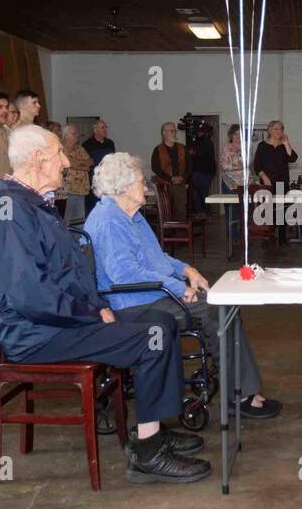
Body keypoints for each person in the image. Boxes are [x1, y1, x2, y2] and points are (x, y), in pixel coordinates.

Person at [0, 127, 209, 483]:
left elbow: (69, 275)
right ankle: (146, 454)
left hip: (56, 322)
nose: (67, 162)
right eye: (59, 153)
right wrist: (93, 312)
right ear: (39, 158)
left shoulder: (30, 205)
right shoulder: (11, 213)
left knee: (162, 322)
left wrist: (96, 304)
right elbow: (30, 296)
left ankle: (153, 431)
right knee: (153, 336)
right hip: (38, 334)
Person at [87, 152, 282, 421]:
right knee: (220, 312)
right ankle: (241, 395)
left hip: (151, 293)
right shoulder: (110, 220)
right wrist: (178, 288)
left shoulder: (130, 214)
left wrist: (188, 271)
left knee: (224, 308)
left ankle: (240, 387)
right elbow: (124, 275)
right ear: (125, 187)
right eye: (142, 183)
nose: (146, 188)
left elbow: (157, 258)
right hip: (133, 304)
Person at [253, 120, 297, 243]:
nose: (279, 131)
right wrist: (264, 176)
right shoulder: (262, 145)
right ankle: (269, 236)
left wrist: (287, 143)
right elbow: (257, 165)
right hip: (267, 184)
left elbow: (293, 158)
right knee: (269, 211)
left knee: (282, 211)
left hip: (282, 182)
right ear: (270, 131)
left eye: (281, 129)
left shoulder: (284, 146)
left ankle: (282, 238)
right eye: (276, 129)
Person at [151, 121, 190, 219]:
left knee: (181, 211)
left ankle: (181, 233)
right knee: (166, 212)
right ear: (164, 132)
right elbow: (155, 167)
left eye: (174, 131)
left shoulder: (182, 148)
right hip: (164, 185)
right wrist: (170, 178)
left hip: (180, 184)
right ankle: (167, 233)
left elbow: (190, 166)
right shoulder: (158, 150)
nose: (174, 133)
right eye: (171, 131)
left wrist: (183, 177)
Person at [219, 123, 249, 238]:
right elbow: (223, 166)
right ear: (231, 135)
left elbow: (249, 164)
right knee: (231, 211)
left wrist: (241, 166)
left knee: (243, 211)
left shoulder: (247, 147)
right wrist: (238, 167)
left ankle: (242, 237)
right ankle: (232, 237)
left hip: (244, 183)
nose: (237, 136)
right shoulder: (226, 148)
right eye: (235, 134)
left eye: (240, 134)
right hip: (229, 182)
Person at [81, 118, 115, 213]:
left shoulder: (110, 143)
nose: (105, 130)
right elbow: (87, 163)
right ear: (95, 130)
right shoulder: (87, 144)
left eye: (105, 127)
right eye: (103, 127)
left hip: (108, 180)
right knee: (93, 207)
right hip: (94, 181)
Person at [61, 123, 92, 224]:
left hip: (81, 189)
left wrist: (77, 163)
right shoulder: (61, 149)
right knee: (67, 220)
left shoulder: (79, 148)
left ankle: (78, 239)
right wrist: (83, 164)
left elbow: (90, 162)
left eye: (77, 133)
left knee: (79, 220)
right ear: (65, 135)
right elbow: (69, 164)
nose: (77, 136)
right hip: (68, 190)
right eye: (74, 134)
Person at [189, 122, 217, 217]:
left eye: (200, 132)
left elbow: (195, 154)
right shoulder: (206, 142)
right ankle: (204, 213)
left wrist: (191, 152)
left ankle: (203, 213)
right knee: (201, 193)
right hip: (205, 172)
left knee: (200, 193)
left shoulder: (205, 143)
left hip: (203, 172)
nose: (198, 133)